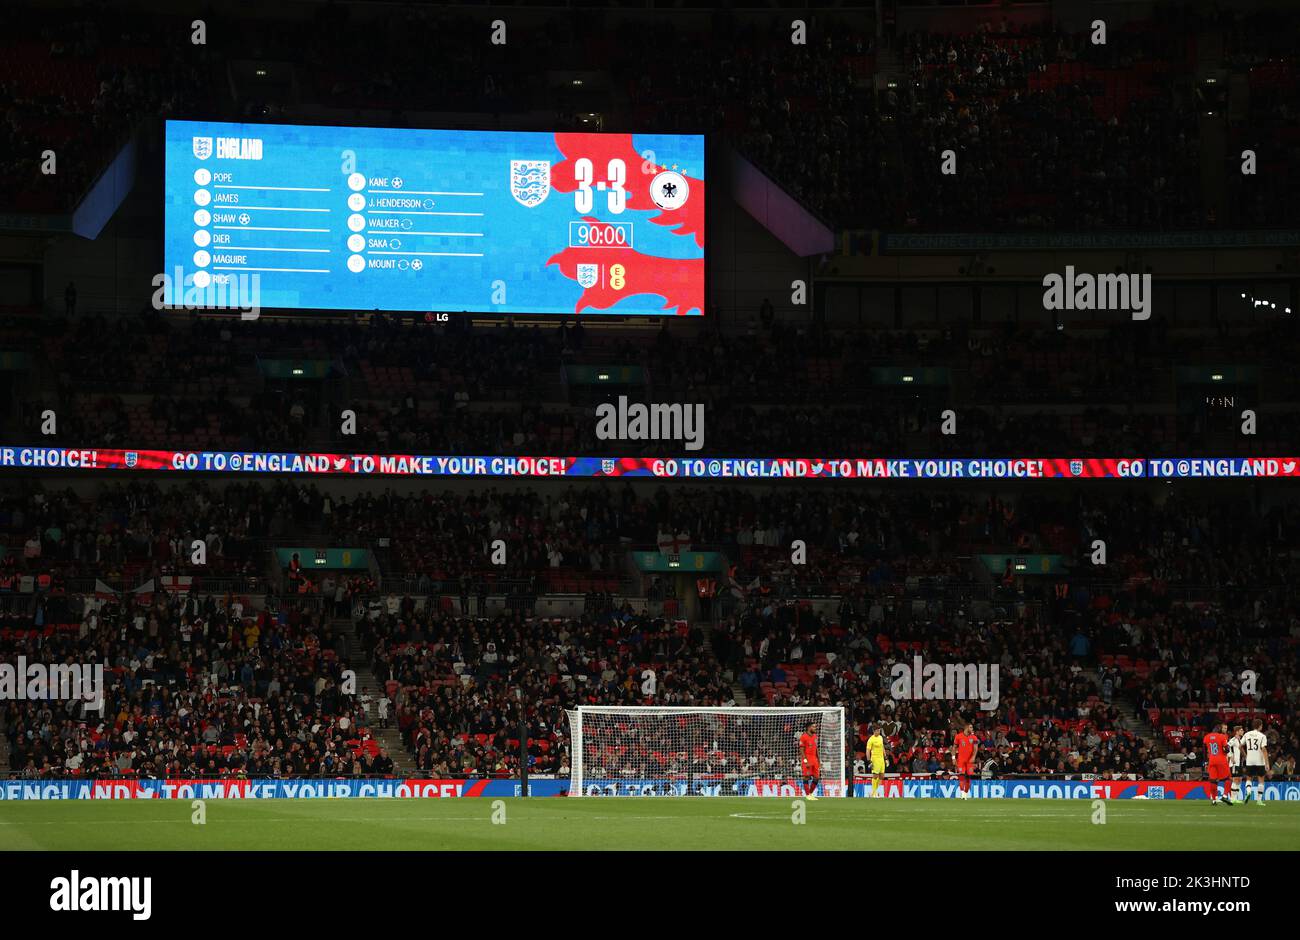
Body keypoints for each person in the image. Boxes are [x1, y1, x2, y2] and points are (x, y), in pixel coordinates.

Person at [1241, 718, 1270, 805]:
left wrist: (1245, 755)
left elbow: (1240, 746)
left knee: (1249, 778)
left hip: (1250, 760)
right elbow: (1264, 749)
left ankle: (1249, 792)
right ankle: (1259, 800)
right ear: (1260, 726)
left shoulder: (1247, 734)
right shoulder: (1262, 736)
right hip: (1259, 761)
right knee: (1261, 780)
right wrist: (1267, 763)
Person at [1203, 722, 1233, 805]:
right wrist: (1226, 750)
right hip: (1221, 760)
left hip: (1211, 760)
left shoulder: (1207, 737)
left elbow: (1204, 750)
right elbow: (1227, 749)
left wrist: (1205, 761)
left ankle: (1214, 800)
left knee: (1213, 781)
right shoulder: (1222, 737)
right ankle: (1225, 796)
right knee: (1228, 779)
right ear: (1219, 730)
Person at [952, 721, 978, 800]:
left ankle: (966, 794)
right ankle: (962, 794)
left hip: (970, 761)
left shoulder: (974, 737)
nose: (972, 729)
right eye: (971, 727)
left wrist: (973, 757)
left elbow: (976, 748)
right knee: (962, 776)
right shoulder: (958, 736)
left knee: (968, 777)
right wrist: (953, 758)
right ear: (966, 728)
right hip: (961, 760)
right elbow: (954, 748)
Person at [799, 722, 820, 800]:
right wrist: (805, 761)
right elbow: (801, 750)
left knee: (816, 778)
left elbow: (816, 748)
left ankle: (810, 794)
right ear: (809, 728)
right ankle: (808, 795)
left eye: (815, 726)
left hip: (814, 759)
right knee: (806, 777)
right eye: (813, 727)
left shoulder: (815, 736)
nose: (815, 728)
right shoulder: (803, 737)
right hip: (807, 759)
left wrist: (818, 759)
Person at [866, 724, 888, 798]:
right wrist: (869, 761)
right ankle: (874, 792)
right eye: (877, 730)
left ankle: (874, 791)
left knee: (882, 776)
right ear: (874, 731)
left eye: (879, 730)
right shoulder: (871, 739)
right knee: (875, 775)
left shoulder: (880, 737)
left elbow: (882, 748)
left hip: (881, 759)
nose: (878, 732)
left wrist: (886, 758)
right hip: (875, 759)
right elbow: (867, 751)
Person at [1228, 725, 1244, 802]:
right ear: (1237, 732)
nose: (1243, 731)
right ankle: (1232, 798)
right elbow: (1226, 747)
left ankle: (1235, 798)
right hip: (1234, 763)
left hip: (1239, 763)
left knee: (1240, 779)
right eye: (1241, 730)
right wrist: (1231, 756)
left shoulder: (1239, 740)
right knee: (1235, 779)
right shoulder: (1233, 739)